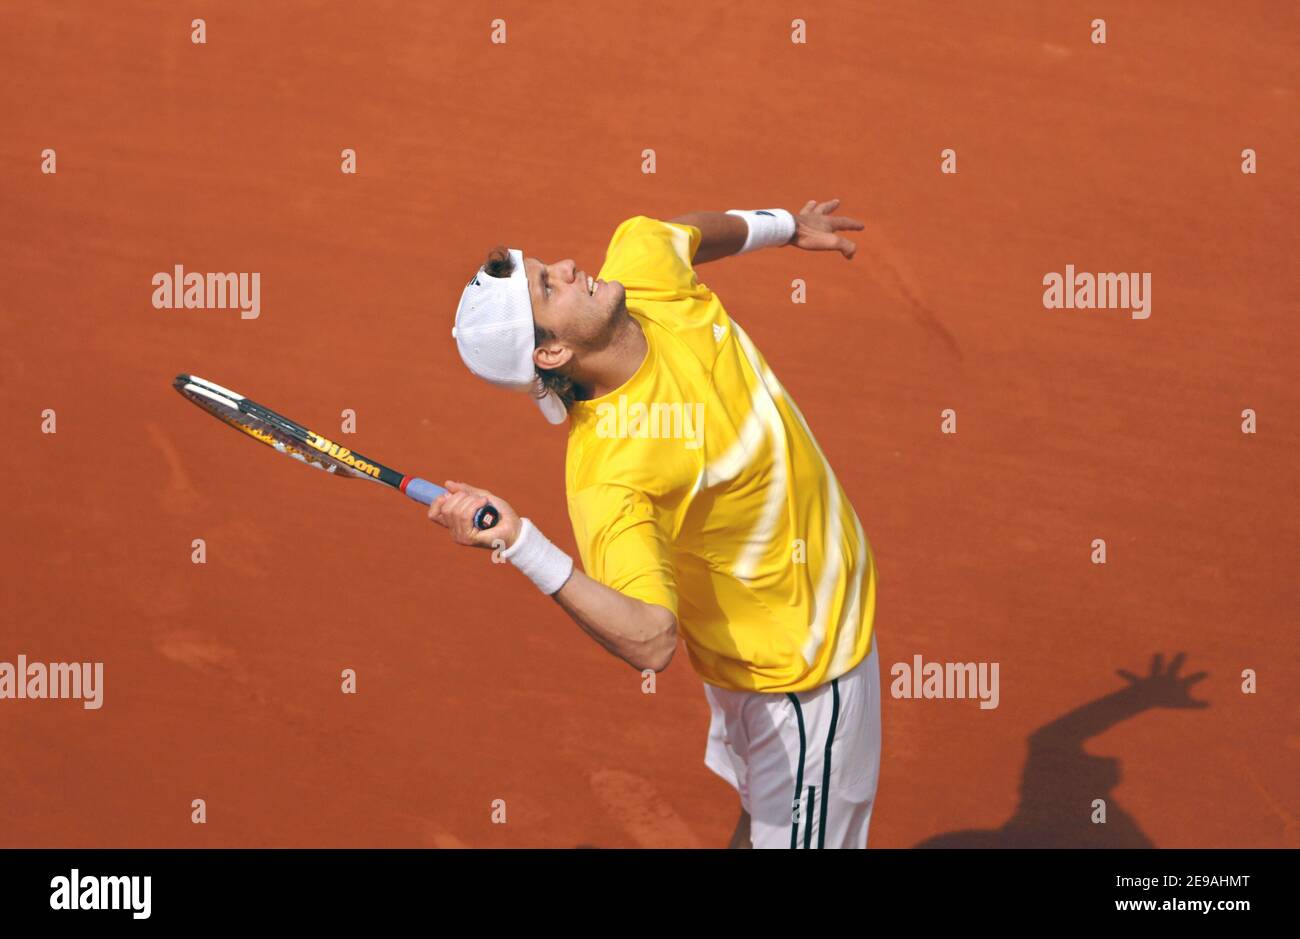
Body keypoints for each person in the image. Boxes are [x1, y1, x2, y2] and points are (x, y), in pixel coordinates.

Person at [433, 200, 880, 848]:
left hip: (768, 647)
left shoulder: (641, 259)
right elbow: (650, 639)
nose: (566, 265)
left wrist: (787, 227)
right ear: (552, 349)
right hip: (805, 680)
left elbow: (692, 235)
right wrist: (521, 541)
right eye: (547, 287)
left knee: (766, 824)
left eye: (545, 267)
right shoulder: (610, 478)